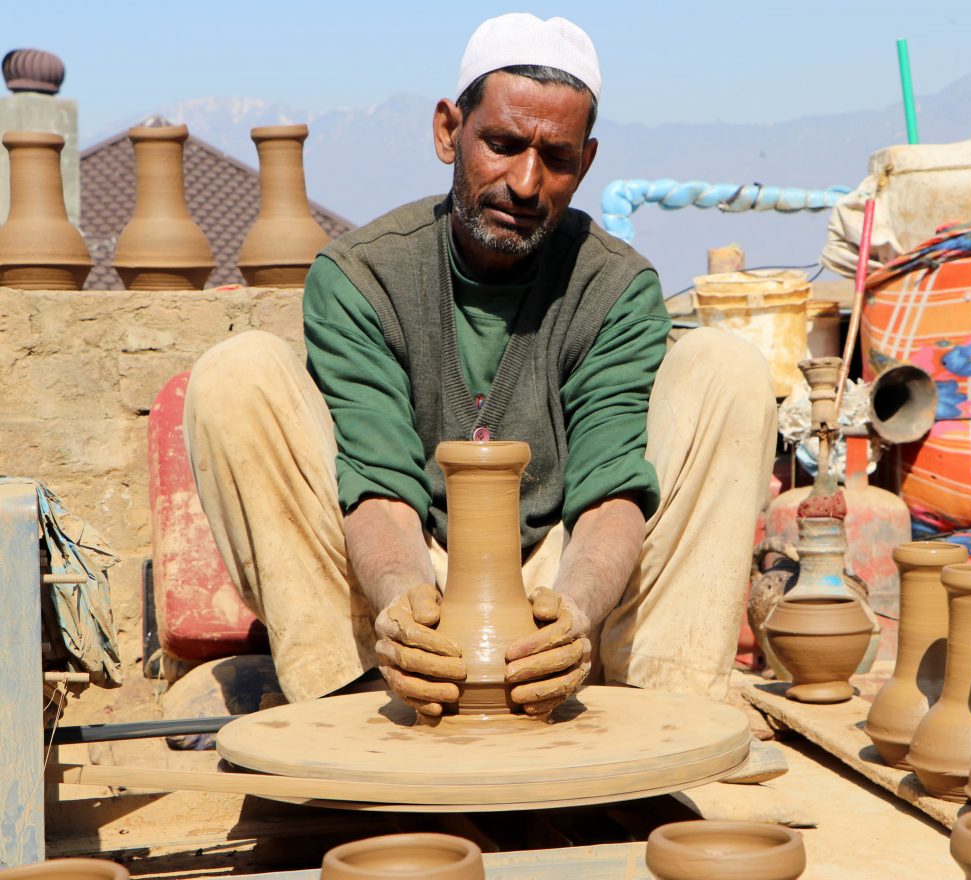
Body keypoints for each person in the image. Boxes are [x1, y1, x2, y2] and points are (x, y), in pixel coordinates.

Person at [183, 13, 775, 723]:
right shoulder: (363, 275)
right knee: (235, 372)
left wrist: (576, 616)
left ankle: (664, 714)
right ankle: (348, 707)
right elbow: (377, 483)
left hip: (562, 579)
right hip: (405, 572)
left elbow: (611, 485)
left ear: (584, 164)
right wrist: (404, 606)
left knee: (727, 367)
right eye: (501, 145)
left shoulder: (614, 286)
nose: (526, 183)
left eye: (555, 159)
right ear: (447, 131)